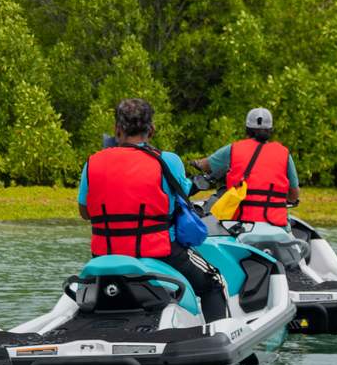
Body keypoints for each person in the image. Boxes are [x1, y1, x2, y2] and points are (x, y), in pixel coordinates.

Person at [77, 98, 228, 321]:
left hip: (105, 254)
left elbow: (85, 212)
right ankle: (218, 335)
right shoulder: (167, 160)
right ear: (152, 129)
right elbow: (182, 194)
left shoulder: (93, 162)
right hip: (161, 253)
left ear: (117, 130)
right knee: (213, 282)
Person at [192, 107, 299, 227]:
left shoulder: (234, 149)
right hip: (277, 225)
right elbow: (294, 194)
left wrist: (196, 163)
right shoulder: (284, 153)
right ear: (271, 130)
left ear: (247, 129)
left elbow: (206, 165)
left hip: (242, 224)